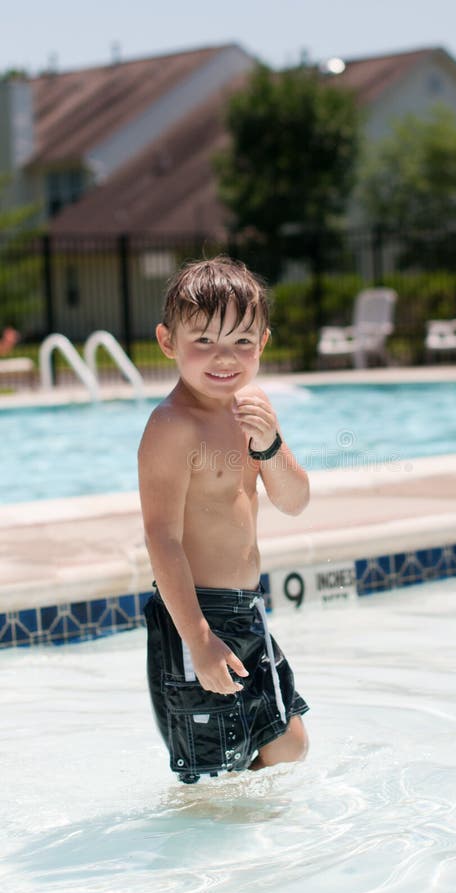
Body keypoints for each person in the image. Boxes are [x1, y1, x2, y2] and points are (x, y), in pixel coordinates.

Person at [138, 256, 310, 783]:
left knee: (288, 744)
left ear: (263, 342)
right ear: (168, 342)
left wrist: (271, 444)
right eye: (204, 341)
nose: (224, 358)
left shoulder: (249, 409)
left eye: (241, 341)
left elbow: (294, 500)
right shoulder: (173, 427)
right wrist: (198, 639)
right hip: (199, 613)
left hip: (248, 612)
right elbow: (162, 540)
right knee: (215, 778)